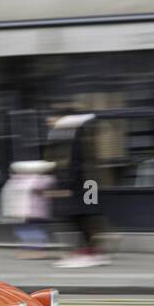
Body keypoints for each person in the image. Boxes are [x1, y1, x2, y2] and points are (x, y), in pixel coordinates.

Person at [45, 112, 110, 268]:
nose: (49, 121)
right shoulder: (79, 134)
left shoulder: (75, 135)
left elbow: (75, 164)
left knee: (82, 214)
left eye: (52, 118)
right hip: (89, 181)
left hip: (85, 182)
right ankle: (91, 251)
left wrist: (67, 185)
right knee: (86, 214)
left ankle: (89, 252)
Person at [0, 160, 55, 258]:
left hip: (36, 212)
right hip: (22, 211)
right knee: (24, 232)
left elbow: (39, 185)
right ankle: (28, 250)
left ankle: (37, 251)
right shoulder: (18, 180)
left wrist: (32, 176)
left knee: (34, 232)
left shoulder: (42, 179)